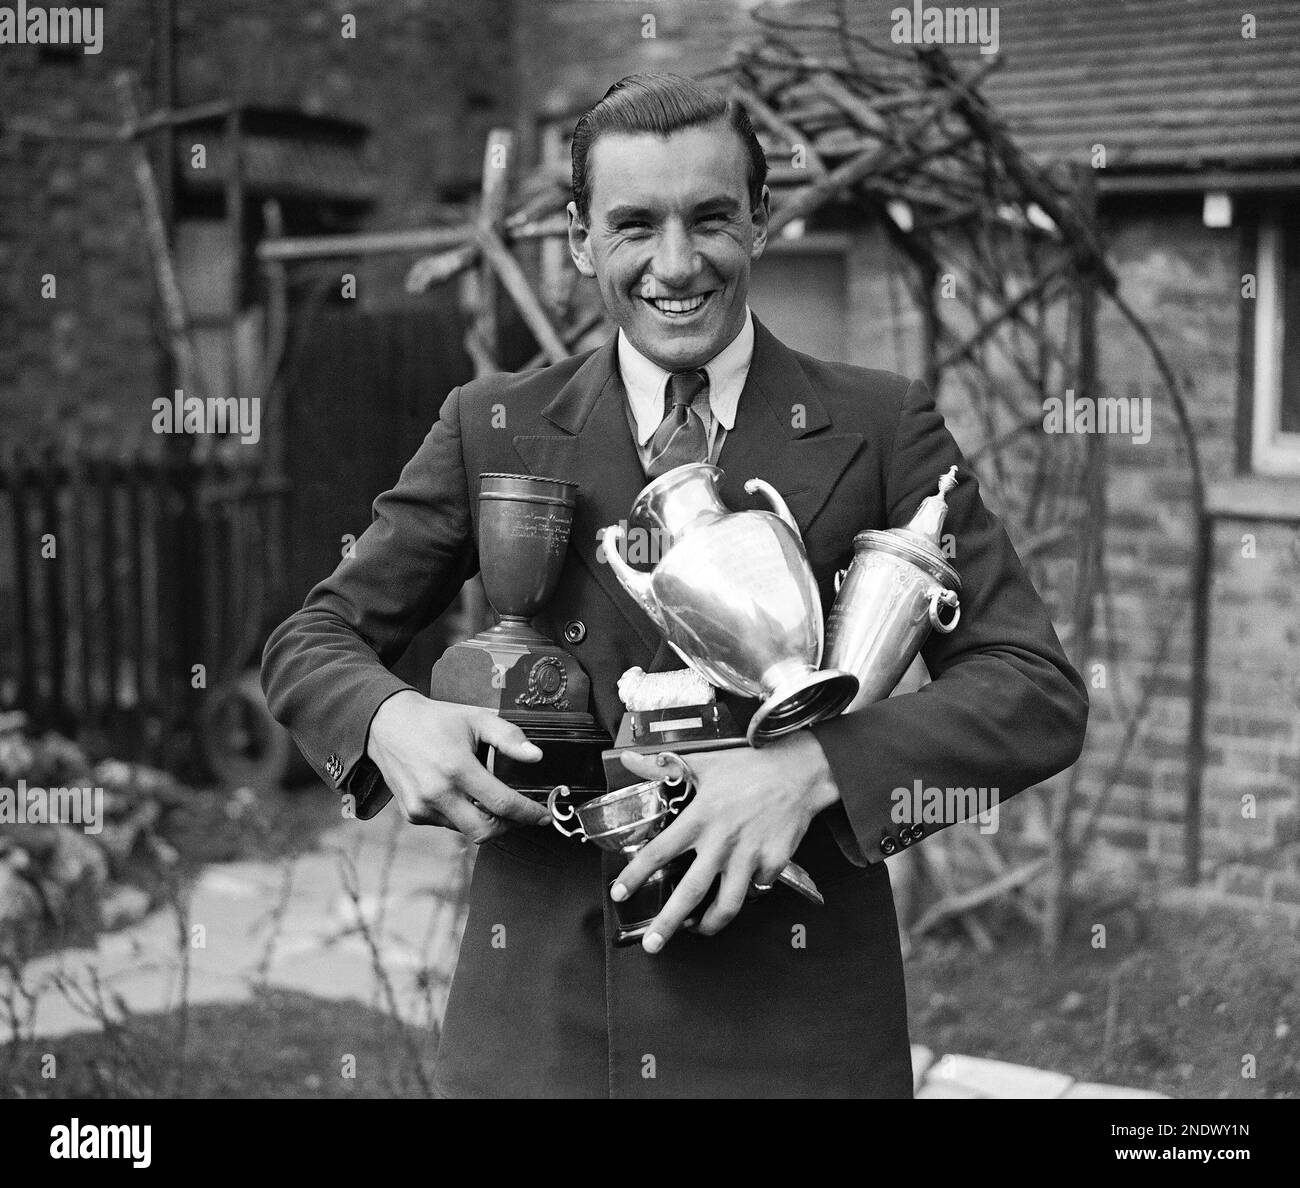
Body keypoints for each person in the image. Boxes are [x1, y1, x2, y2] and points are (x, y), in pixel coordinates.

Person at [261, 73, 1088, 1098]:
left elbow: (1033, 691)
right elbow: (315, 639)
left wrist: (813, 768)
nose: (677, 263)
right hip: (550, 1028)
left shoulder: (882, 427)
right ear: (579, 239)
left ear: (760, 220)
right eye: (634, 225)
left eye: (710, 218)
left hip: (801, 1025)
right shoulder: (492, 426)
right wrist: (389, 719)